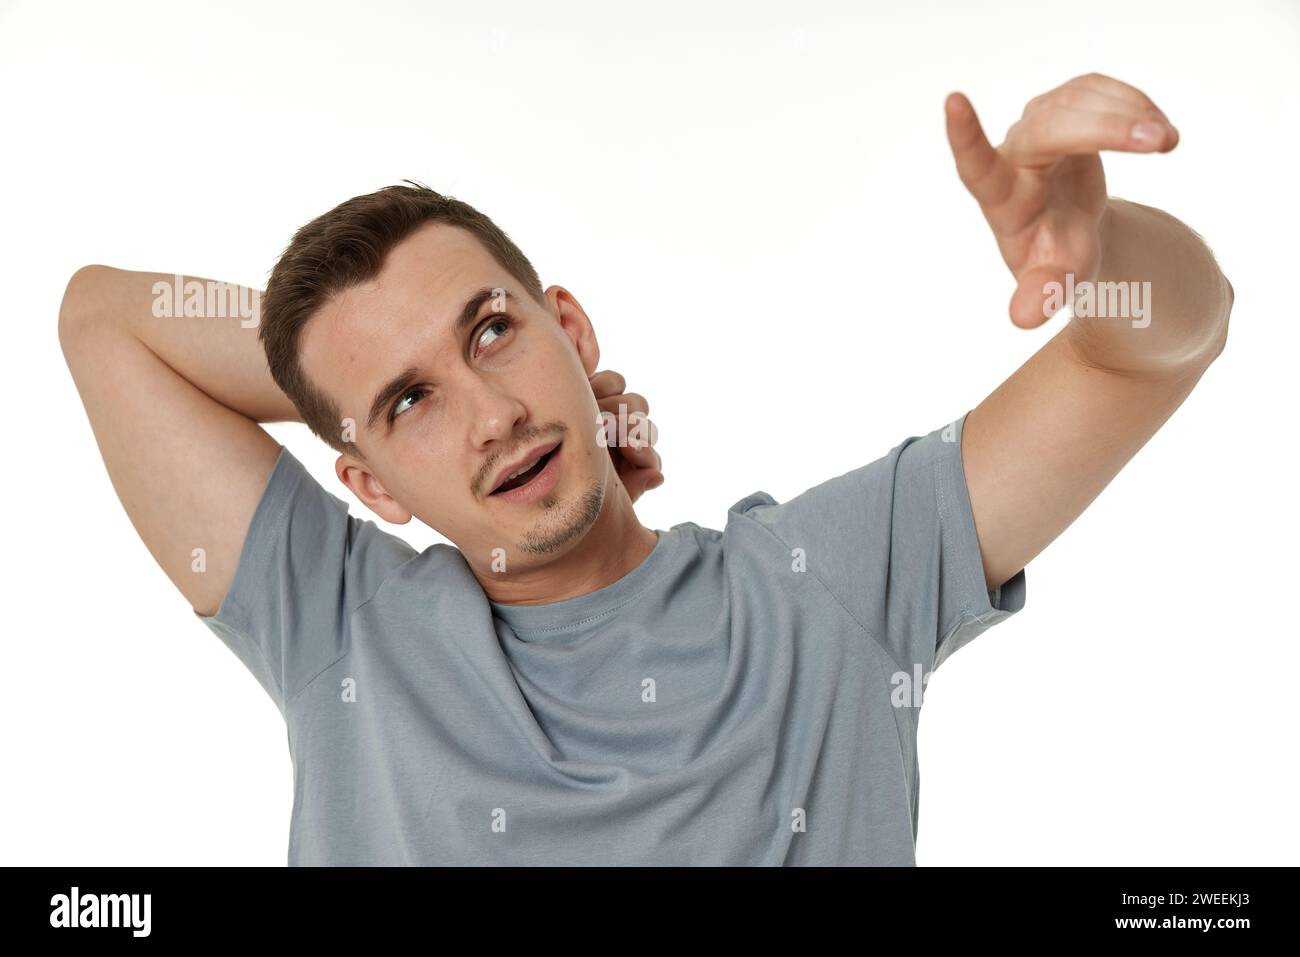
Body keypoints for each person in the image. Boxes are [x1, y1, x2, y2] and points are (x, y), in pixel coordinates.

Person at [58, 72, 1231, 866]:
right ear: (363, 483)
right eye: (413, 403)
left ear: (571, 328)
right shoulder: (344, 627)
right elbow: (104, 319)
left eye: (491, 333)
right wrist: (339, 373)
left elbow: (1164, 346)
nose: (492, 414)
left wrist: (1098, 261)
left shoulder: (826, 583)